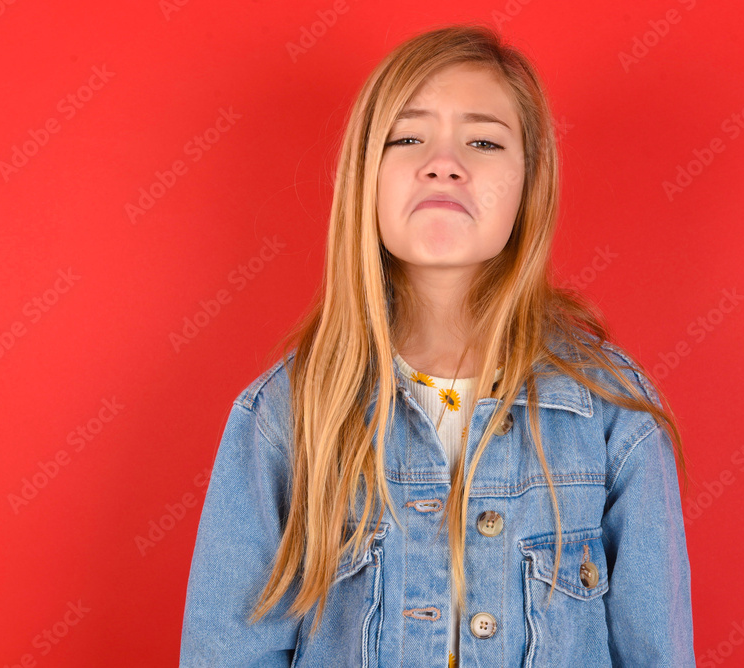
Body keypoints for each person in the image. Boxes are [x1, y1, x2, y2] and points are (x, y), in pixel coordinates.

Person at [179, 23, 696, 668]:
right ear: (365, 177)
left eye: (483, 140)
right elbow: (227, 651)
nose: (444, 161)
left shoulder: (612, 413)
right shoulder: (286, 416)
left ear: (529, 186)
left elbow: (656, 651)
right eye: (407, 136)